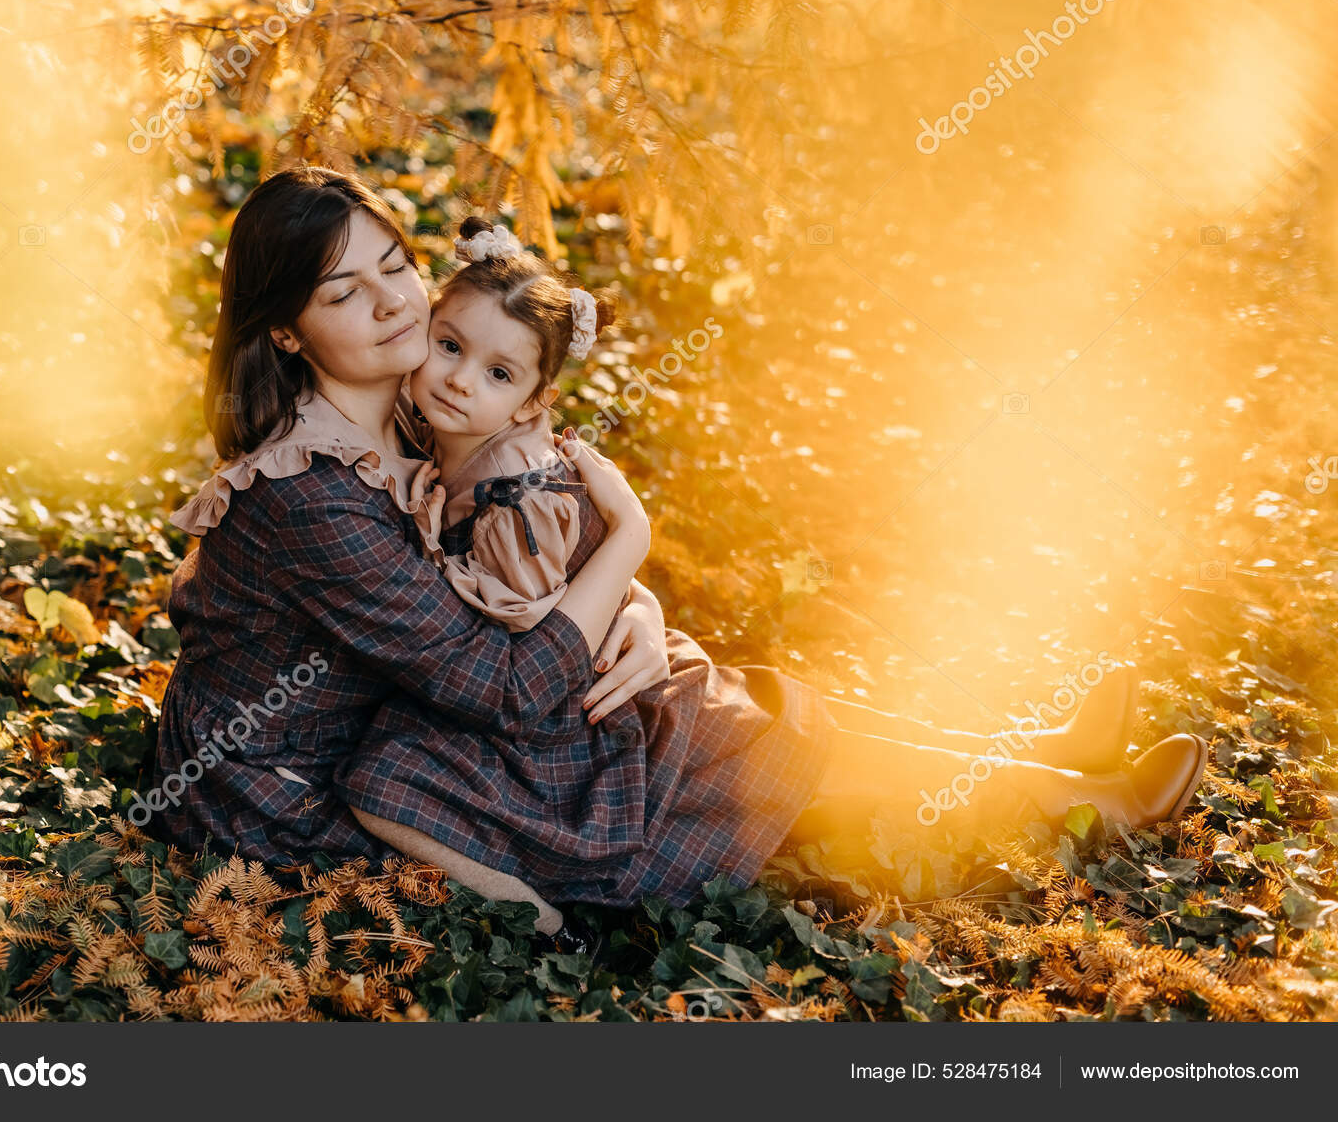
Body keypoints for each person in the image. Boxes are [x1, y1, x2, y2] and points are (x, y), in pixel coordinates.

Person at [154, 165, 1208, 944]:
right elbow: (508, 686)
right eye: (341, 293)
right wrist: (636, 541)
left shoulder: (418, 403)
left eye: (393, 265)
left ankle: (1035, 755)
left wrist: (638, 611)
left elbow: (527, 570)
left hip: (420, 703)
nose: (390, 301)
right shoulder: (310, 495)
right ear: (286, 332)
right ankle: (1071, 793)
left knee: (686, 680)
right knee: (694, 725)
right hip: (312, 786)